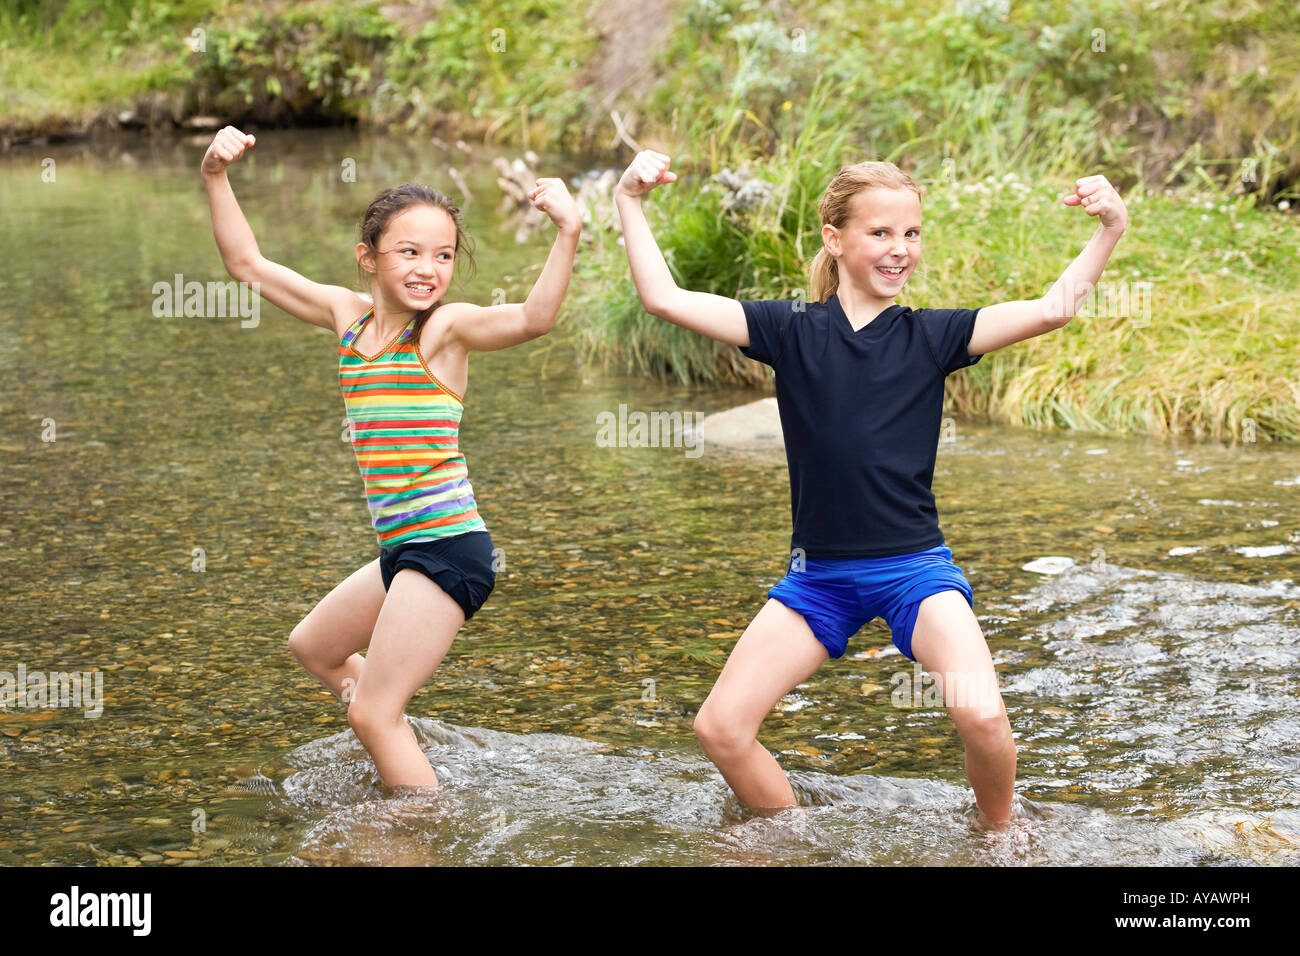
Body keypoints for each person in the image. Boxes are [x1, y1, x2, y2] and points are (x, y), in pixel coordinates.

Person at [614, 149, 1127, 829]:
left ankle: (998, 838)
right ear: (835, 238)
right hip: (818, 579)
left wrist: (1108, 229)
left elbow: (1052, 309)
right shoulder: (790, 331)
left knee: (980, 711)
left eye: (911, 233)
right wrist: (629, 200)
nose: (900, 249)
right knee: (721, 728)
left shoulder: (933, 335)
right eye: (881, 233)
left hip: (915, 570)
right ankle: (785, 832)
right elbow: (663, 299)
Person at [201, 126, 582, 790]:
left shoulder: (443, 331)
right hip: (402, 550)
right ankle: (400, 741)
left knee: (374, 714)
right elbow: (247, 265)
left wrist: (568, 233)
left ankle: (414, 826)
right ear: (367, 258)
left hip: (451, 548)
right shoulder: (345, 319)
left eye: (441, 255)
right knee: (314, 648)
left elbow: (535, 319)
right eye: (409, 251)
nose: (427, 268)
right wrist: (215, 177)